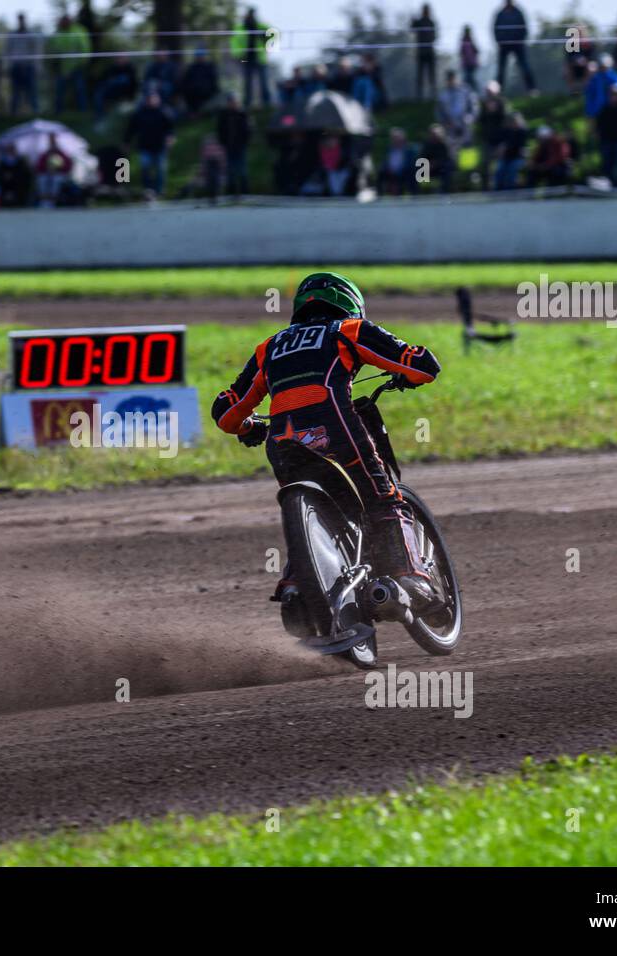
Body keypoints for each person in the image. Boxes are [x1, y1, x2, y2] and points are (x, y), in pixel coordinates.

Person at [209, 272, 446, 624]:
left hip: (282, 442)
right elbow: (422, 365)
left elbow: (226, 411)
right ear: (348, 302)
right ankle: (409, 578)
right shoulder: (349, 330)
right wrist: (408, 376)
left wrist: (248, 426)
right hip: (335, 428)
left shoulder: (269, 347)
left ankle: (295, 586)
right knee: (383, 497)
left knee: (314, 513)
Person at [125, 91, 176, 196]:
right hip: (145, 146)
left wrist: (170, 139)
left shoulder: (164, 112)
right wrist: (126, 142)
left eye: (154, 98)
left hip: (160, 146)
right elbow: (131, 129)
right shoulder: (140, 113)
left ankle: (159, 190)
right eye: (150, 98)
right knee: (145, 168)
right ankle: (148, 190)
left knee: (160, 169)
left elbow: (170, 128)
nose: (152, 101)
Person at [47, 14, 90, 112]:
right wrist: (53, 63)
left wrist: (82, 62)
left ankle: (82, 111)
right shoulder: (58, 33)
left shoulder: (79, 31)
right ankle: (58, 112)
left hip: (77, 67)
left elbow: (85, 49)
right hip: (63, 69)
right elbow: (52, 48)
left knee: (80, 90)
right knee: (60, 91)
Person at [493, 0, 536, 94]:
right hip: (504, 45)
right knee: (501, 70)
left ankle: (532, 89)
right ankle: (498, 91)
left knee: (525, 67)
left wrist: (520, 39)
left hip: (518, 44)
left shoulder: (518, 12)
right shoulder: (500, 14)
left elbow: (524, 28)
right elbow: (495, 29)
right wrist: (499, 41)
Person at [5, 13, 43, 115]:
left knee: (32, 92)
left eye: (22, 19)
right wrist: (7, 66)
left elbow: (35, 51)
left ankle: (36, 113)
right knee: (15, 92)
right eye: (20, 19)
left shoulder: (30, 35)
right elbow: (7, 51)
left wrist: (37, 67)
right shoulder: (12, 35)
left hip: (28, 67)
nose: (21, 21)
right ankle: (14, 113)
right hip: (16, 67)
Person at [216, 93, 251, 197]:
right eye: (231, 102)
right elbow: (220, 130)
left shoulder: (243, 114)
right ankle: (231, 192)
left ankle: (245, 191)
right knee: (230, 169)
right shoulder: (223, 115)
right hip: (228, 146)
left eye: (234, 101)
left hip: (240, 146)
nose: (233, 104)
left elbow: (248, 130)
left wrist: (245, 141)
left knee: (242, 169)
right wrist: (223, 142)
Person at [378, 127, 418, 195]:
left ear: (403, 139)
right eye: (393, 138)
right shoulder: (389, 150)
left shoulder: (409, 150)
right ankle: (379, 195)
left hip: (404, 172)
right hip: (390, 173)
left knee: (411, 174)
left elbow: (411, 163)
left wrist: (399, 170)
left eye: (397, 138)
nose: (395, 140)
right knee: (380, 173)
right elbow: (385, 162)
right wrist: (387, 168)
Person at [411, 4, 438, 100]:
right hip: (422, 52)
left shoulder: (431, 22)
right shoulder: (420, 22)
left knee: (431, 76)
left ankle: (433, 95)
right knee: (420, 76)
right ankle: (419, 96)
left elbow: (435, 36)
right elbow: (412, 29)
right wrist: (413, 20)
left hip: (429, 51)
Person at [181, 48, 220, 114]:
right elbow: (186, 81)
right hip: (193, 93)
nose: (200, 58)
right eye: (198, 56)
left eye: (202, 56)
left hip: (207, 92)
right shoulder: (192, 68)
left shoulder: (209, 67)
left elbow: (214, 82)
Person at [459, 26, 480, 91]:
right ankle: (468, 93)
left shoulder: (471, 41)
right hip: (467, 64)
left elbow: (477, 51)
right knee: (467, 80)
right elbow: (461, 52)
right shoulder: (464, 41)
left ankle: (474, 92)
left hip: (471, 63)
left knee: (471, 79)